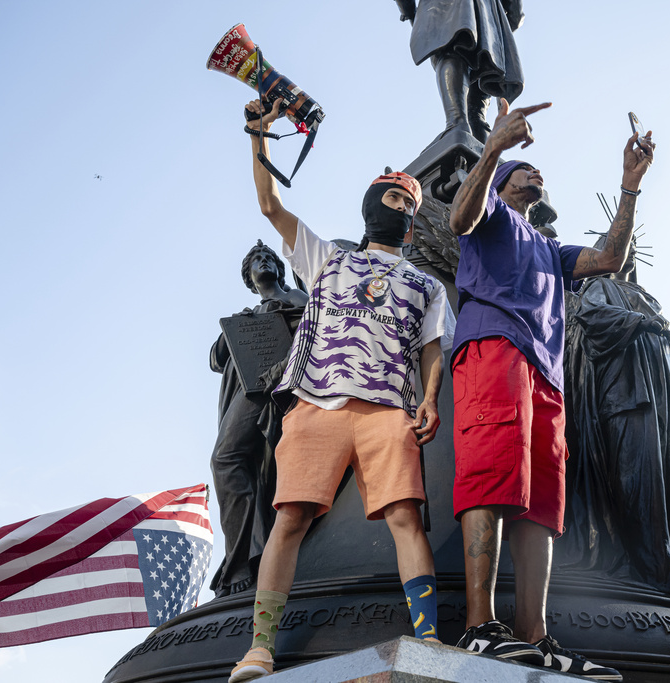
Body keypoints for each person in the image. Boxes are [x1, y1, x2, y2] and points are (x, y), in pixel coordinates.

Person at [229, 99, 455, 683]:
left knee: (405, 517)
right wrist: (259, 136)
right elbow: (270, 205)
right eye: (392, 197)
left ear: (413, 222)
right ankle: (259, 649)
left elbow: (433, 347)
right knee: (290, 519)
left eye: (408, 203)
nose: (400, 207)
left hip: (388, 410)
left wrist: (430, 397)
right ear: (370, 205)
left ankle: (429, 639)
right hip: (317, 404)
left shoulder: (426, 285)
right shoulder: (328, 258)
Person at [446, 96, 654, 680]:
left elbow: (610, 257)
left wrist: (630, 185)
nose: (537, 173)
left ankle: (533, 636)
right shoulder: (489, 212)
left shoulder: (549, 249)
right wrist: (494, 146)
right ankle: (480, 627)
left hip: (545, 372)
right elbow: (458, 219)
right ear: (504, 181)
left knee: (541, 504)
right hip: (494, 348)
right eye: (526, 170)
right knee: (490, 476)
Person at [559, 244, 670, 599]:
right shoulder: (600, 286)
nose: (627, 252)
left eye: (630, 247)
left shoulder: (646, 298)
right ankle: (645, 567)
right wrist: (640, 323)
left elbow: (660, 354)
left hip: (659, 407)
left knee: (666, 485)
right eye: (618, 245)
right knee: (635, 481)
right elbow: (592, 318)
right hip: (622, 396)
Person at [209, 241, 308, 598]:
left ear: (279, 270)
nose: (264, 261)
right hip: (251, 390)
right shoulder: (247, 315)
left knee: (229, 459)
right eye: (257, 260)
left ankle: (244, 561)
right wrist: (235, 328)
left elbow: (315, 328)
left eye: (269, 258)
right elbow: (216, 359)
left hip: (283, 385)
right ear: (249, 279)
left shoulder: (296, 297)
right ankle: (246, 555)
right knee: (228, 459)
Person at [397, 0, 525, 142]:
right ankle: (481, 143)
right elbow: (515, 12)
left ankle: (456, 123)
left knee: (450, 50)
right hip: (488, 15)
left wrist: (411, 15)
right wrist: (494, 27)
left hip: (448, 6)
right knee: (477, 109)